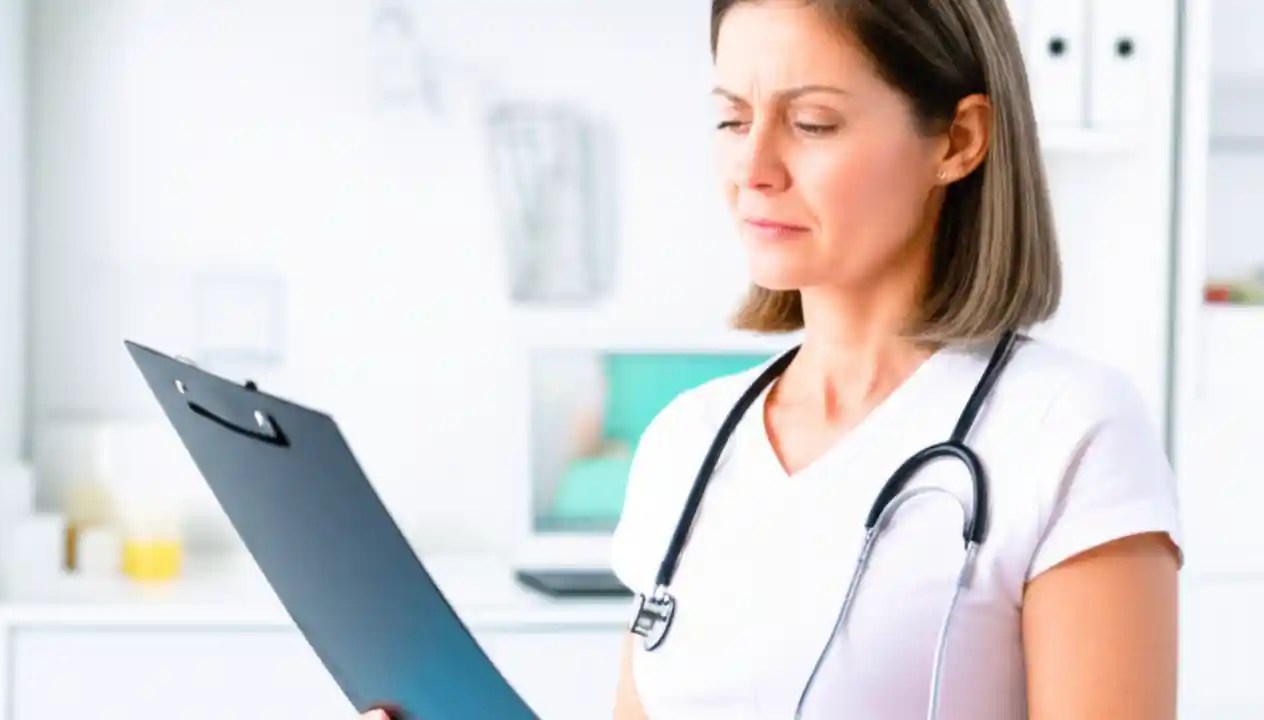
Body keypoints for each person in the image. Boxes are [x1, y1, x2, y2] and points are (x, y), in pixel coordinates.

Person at [361, 0, 1182, 718]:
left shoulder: (1067, 432)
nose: (752, 169)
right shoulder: (686, 442)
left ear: (958, 141)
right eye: (731, 119)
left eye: (813, 122)